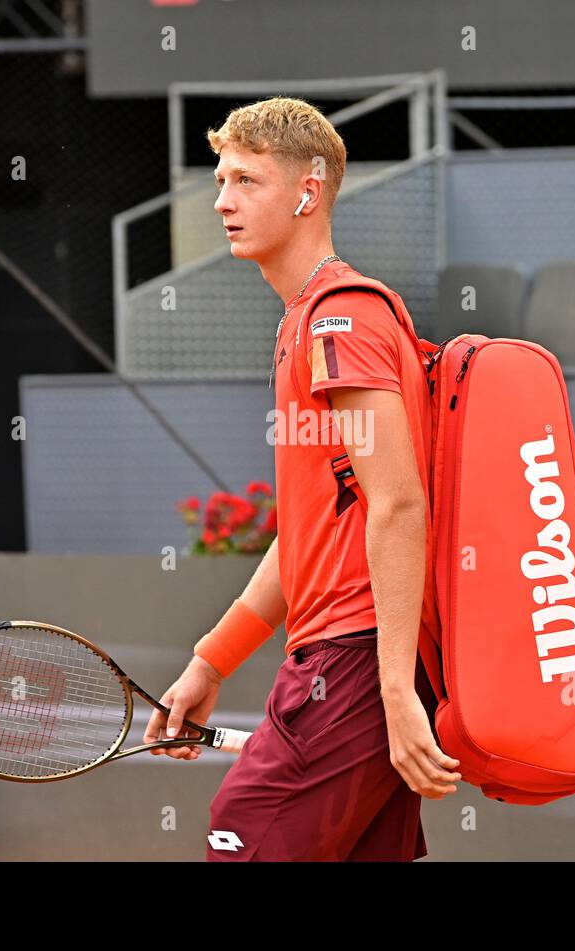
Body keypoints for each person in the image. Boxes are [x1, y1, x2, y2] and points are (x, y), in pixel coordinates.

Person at [142, 97, 461, 861]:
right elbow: (312, 535)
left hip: (354, 662)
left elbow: (398, 504)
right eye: (221, 179)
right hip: (355, 662)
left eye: (247, 180)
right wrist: (211, 660)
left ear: (307, 193)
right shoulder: (303, 321)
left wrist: (390, 694)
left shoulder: (338, 317)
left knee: (239, 839)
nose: (222, 200)